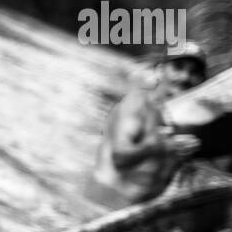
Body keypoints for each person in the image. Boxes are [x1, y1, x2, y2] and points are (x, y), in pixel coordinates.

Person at [86, 41, 209, 208]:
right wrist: (162, 145)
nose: (185, 77)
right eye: (178, 67)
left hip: (137, 214)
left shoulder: (190, 122)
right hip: (98, 206)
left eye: (194, 73)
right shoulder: (137, 106)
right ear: (159, 71)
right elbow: (119, 156)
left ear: (202, 81)